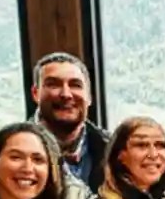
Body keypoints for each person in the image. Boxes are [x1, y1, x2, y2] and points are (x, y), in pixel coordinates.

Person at [32, 51, 108, 191]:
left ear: (89, 97)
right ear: (35, 94)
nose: (66, 94)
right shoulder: (8, 150)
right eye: (53, 85)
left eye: (75, 85)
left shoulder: (114, 149)